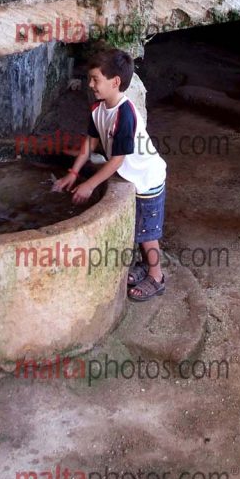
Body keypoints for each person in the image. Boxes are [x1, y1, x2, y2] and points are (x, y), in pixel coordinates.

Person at [52, 49, 168, 301]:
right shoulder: (99, 108)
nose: (90, 84)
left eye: (95, 79)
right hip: (133, 177)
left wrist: (90, 185)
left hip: (147, 179)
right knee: (138, 228)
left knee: (148, 234)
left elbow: (116, 161)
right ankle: (143, 266)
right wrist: (73, 172)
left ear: (115, 82)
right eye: (90, 79)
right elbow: (90, 143)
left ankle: (156, 276)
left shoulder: (125, 115)